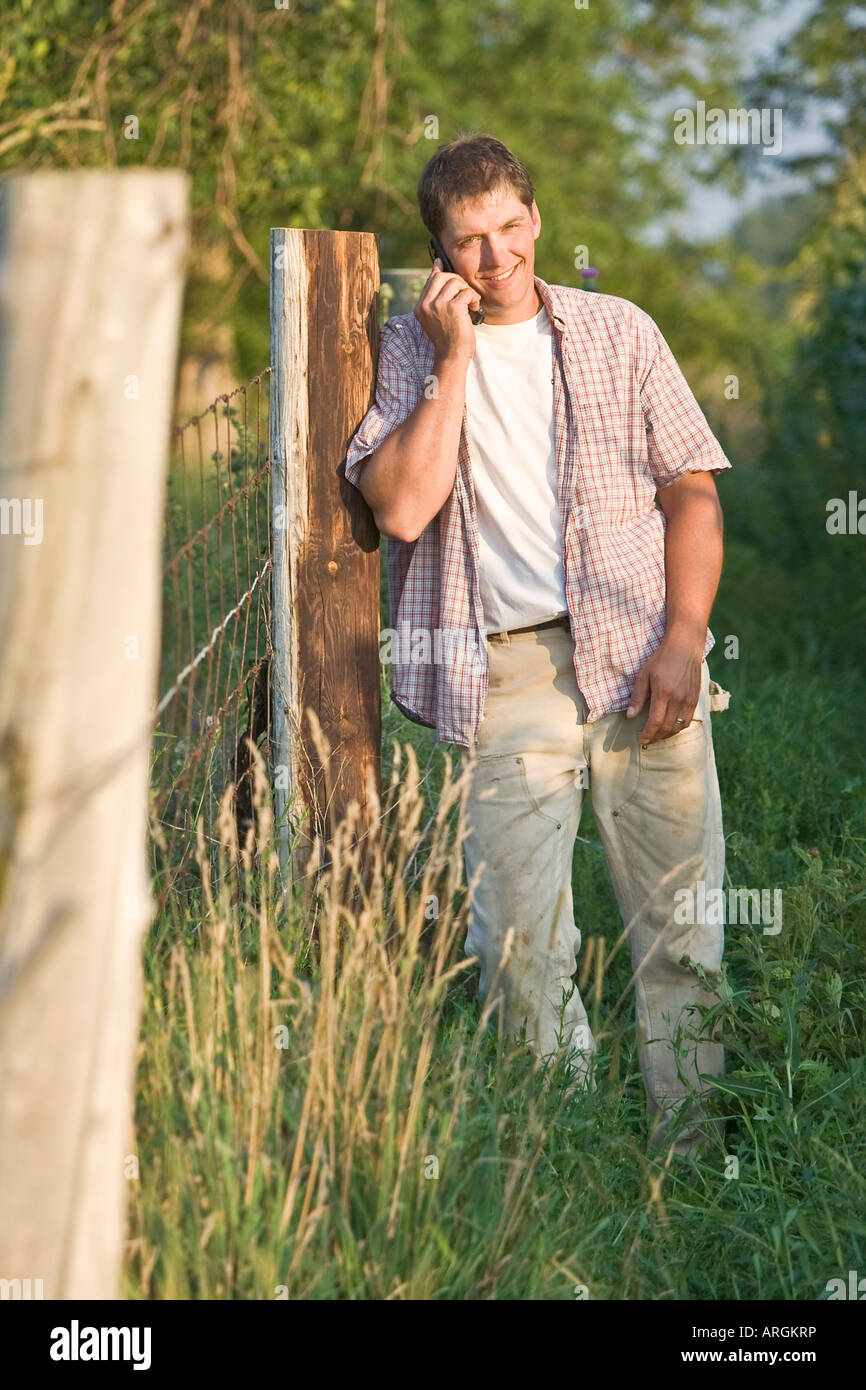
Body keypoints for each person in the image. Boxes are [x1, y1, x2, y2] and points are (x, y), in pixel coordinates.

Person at [344, 133, 732, 1157]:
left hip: (640, 654)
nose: (493, 256)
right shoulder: (405, 347)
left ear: (535, 220)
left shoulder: (619, 331)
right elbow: (401, 507)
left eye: (507, 227)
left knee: (680, 934)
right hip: (503, 669)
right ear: (437, 251)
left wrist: (684, 639)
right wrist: (452, 362)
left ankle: (689, 1165)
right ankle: (562, 1173)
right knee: (517, 948)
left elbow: (688, 490)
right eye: (466, 240)